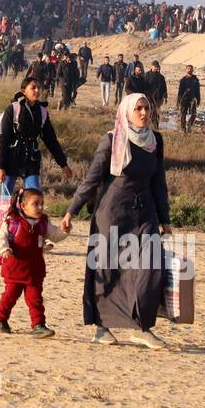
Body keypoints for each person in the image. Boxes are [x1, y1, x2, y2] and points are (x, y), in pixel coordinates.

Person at [63, 94, 172, 349]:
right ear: (126, 112)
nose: (144, 113)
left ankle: (142, 327)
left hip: (144, 214)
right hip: (112, 213)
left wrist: (165, 219)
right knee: (107, 269)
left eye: (147, 108)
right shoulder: (112, 139)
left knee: (149, 268)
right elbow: (91, 179)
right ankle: (102, 327)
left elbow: (159, 182)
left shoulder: (155, 140)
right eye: (139, 109)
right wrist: (71, 211)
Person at [0, 187, 70, 337]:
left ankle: (38, 325)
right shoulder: (12, 221)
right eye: (36, 204)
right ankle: (0, 318)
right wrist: (4, 250)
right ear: (23, 206)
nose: (40, 207)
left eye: (42, 203)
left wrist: (64, 230)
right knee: (10, 296)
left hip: (34, 270)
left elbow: (55, 235)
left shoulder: (42, 223)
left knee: (35, 299)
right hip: (15, 269)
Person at [0, 77, 71, 194]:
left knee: (34, 196)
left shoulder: (42, 112)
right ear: (24, 91)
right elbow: (3, 139)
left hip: (31, 160)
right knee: (5, 200)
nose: (37, 91)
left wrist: (63, 164)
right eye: (33, 88)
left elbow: (51, 140)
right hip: (11, 159)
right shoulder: (13, 109)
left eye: (38, 88)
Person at [177, 65, 201, 133]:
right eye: (188, 69)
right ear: (186, 70)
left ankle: (189, 125)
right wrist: (178, 101)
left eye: (190, 69)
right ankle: (183, 128)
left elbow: (198, 91)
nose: (189, 70)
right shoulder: (183, 80)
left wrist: (198, 100)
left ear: (192, 70)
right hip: (184, 99)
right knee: (183, 114)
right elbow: (180, 91)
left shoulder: (195, 79)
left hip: (192, 99)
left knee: (194, 114)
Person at [146, 60, 168, 131]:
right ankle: (147, 127)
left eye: (157, 66)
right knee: (148, 112)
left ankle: (156, 127)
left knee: (156, 112)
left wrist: (165, 97)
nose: (156, 68)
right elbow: (144, 86)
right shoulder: (147, 75)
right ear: (151, 66)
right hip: (149, 97)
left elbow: (164, 87)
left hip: (158, 98)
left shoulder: (161, 77)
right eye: (154, 66)